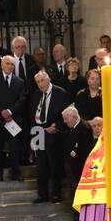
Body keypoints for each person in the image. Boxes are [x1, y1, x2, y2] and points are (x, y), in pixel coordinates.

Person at [30, 70, 69, 203]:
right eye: (38, 82)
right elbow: (33, 113)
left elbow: (65, 114)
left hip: (53, 132)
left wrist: (56, 126)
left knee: (54, 164)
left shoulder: (60, 92)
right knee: (40, 164)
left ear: (48, 79)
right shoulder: (36, 94)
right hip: (39, 132)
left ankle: (56, 194)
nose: (40, 84)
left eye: (42, 81)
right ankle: (42, 194)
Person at [0, 55, 26, 182]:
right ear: (2, 65)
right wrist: (2, 112)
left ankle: (16, 172)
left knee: (15, 147)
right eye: (8, 63)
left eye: (12, 64)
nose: (10, 66)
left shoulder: (19, 81)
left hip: (13, 119)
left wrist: (10, 112)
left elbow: (22, 100)